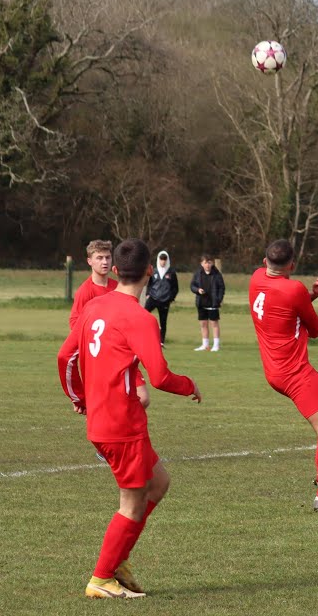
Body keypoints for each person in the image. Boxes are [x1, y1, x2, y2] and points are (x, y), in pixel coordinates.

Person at [56, 238, 202, 599]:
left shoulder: (96, 305)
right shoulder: (141, 318)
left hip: (106, 419)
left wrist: (79, 397)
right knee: (132, 505)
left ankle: (117, 560)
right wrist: (190, 386)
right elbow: (161, 377)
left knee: (159, 483)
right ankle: (102, 578)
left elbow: (65, 356)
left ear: (116, 270)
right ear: (150, 272)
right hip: (121, 425)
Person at [248, 238, 318, 512]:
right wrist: (312, 296)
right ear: (292, 265)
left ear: (264, 262)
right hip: (293, 371)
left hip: (277, 369)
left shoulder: (257, 278)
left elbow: (283, 304)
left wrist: (311, 296)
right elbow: (315, 329)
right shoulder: (294, 288)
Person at [61, 239, 149, 410]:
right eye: (99, 258)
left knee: (143, 398)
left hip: (124, 354)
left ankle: (119, 427)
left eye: (108, 257)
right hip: (102, 356)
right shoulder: (85, 291)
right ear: (90, 261)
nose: (105, 262)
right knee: (111, 402)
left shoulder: (119, 287)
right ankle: (114, 428)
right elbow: (75, 323)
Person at [190, 254, 226, 352]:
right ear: (202, 264)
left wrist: (218, 299)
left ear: (212, 263)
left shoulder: (217, 274)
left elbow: (222, 287)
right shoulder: (198, 273)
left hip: (213, 303)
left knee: (214, 323)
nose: (207, 265)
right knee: (203, 324)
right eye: (205, 262)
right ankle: (205, 345)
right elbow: (192, 285)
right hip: (201, 303)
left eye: (209, 262)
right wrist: (198, 290)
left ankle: (216, 345)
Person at [143, 250, 178, 346]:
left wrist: (171, 298)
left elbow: (175, 287)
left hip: (165, 301)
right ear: (158, 260)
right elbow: (149, 284)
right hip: (153, 298)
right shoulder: (153, 271)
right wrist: (148, 294)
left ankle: (161, 341)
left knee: (163, 321)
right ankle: (144, 336)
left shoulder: (171, 272)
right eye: (161, 260)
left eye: (165, 260)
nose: (163, 262)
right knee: (143, 315)